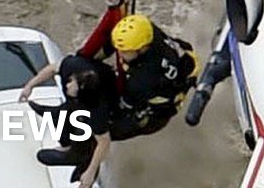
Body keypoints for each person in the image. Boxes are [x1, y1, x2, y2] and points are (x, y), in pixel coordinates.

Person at [19, 54, 116, 188]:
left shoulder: (96, 109)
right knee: (62, 113)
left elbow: (104, 142)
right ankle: (65, 143)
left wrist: (90, 171)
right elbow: (52, 69)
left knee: (86, 140)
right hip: (80, 96)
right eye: (69, 80)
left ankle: (80, 159)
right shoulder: (72, 66)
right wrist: (30, 86)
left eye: (72, 83)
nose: (68, 84)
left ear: (81, 89)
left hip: (104, 104)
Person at [108, 14, 200, 140]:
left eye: (124, 51)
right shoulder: (147, 30)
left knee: (115, 128)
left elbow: (124, 105)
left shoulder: (141, 80)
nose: (119, 53)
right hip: (177, 69)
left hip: (157, 114)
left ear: (142, 48)